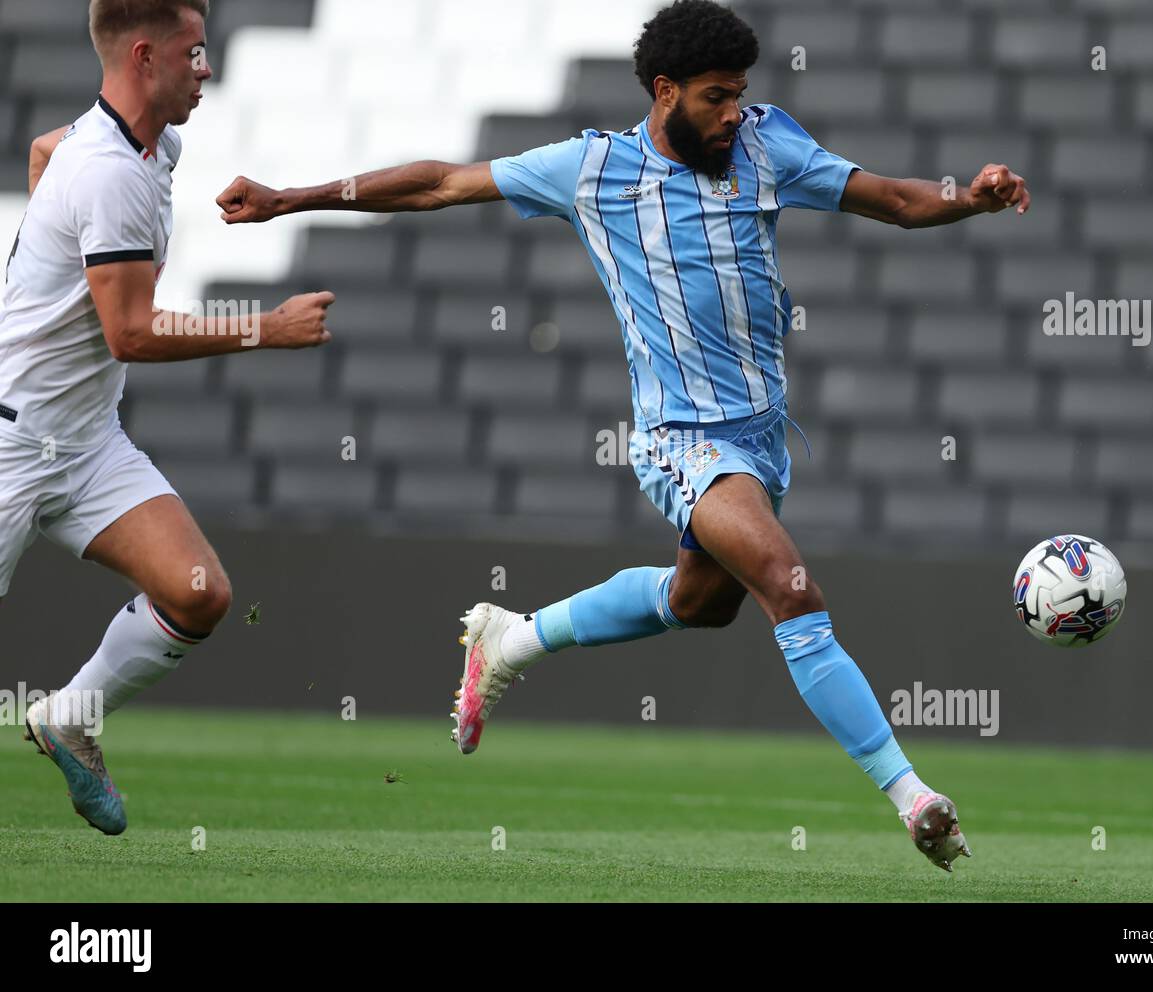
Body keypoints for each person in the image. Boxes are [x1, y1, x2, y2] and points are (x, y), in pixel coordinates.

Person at [215, 0, 1029, 871]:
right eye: (717, 97)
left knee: (698, 604)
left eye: (741, 95)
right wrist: (291, 199)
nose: (732, 114)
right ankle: (913, 797)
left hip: (760, 441)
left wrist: (967, 198)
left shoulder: (765, 145)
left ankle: (512, 640)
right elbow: (441, 182)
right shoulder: (592, 170)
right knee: (790, 590)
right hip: (682, 438)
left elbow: (900, 202)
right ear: (665, 90)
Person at [2, 0, 334, 835]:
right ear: (146, 57)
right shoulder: (109, 173)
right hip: (13, 439)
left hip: (84, 442)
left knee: (198, 594)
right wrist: (267, 327)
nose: (207, 67)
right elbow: (131, 334)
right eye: (195, 52)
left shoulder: (145, 148)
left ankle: (70, 716)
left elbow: (49, 152)